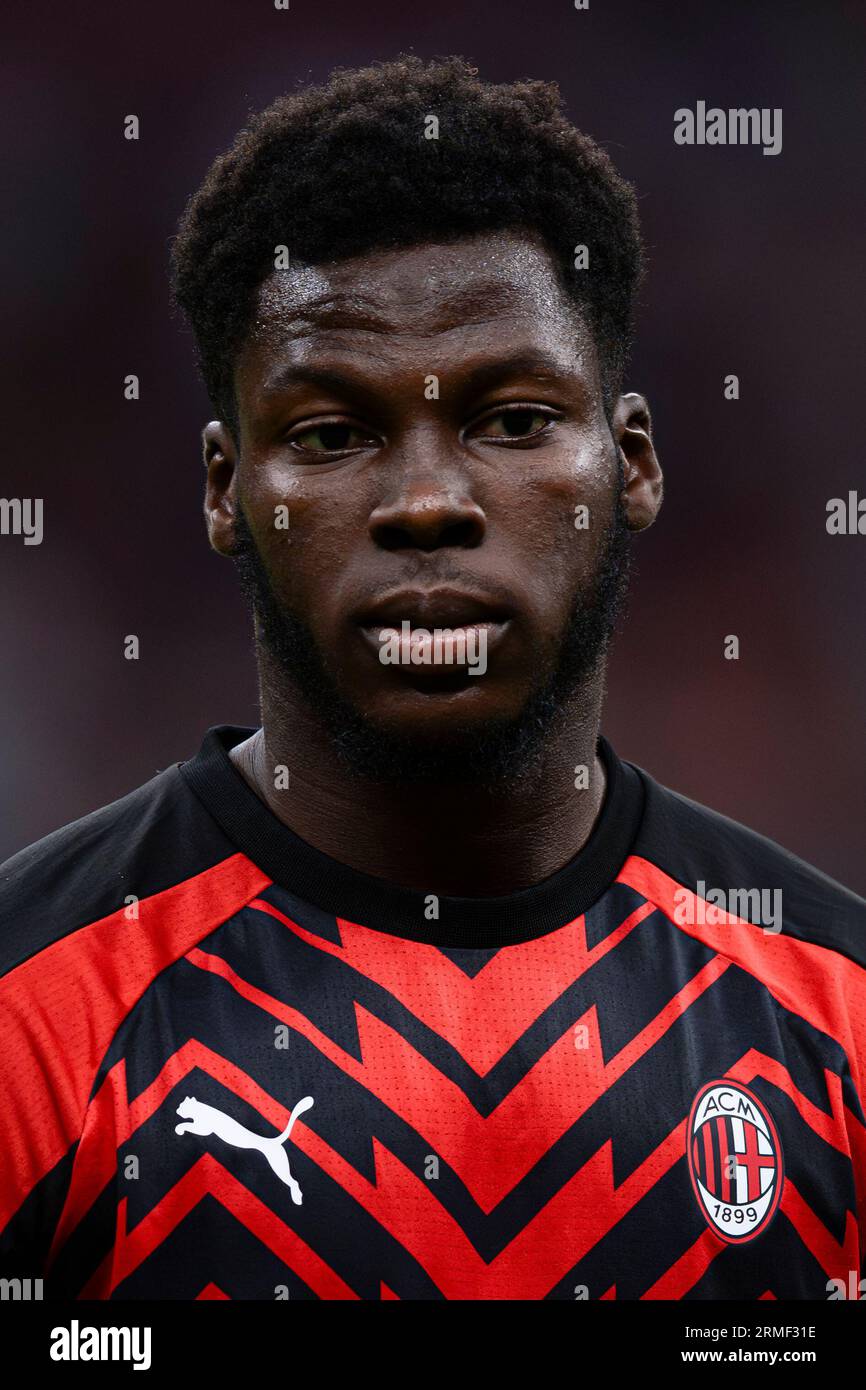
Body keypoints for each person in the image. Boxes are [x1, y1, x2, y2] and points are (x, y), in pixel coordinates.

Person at [1, 56, 864, 1301]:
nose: (423, 504)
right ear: (222, 488)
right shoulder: (35, 1011)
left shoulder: (833, 1020)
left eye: (511, 420)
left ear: (627, 463)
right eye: (330, 433)